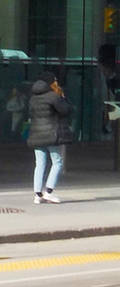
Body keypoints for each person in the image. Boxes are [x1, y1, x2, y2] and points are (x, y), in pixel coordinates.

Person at [27, 72, 73, 204]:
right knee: (57, 162)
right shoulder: (54, 96)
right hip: (52, 134)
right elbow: (65, 110)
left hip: (36, 135)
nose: (57, 83)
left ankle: (37, 195)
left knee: (40, 164)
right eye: (55, 81)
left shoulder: (33, 98)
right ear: (51, 83)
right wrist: (63, 97)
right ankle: (49, 191)